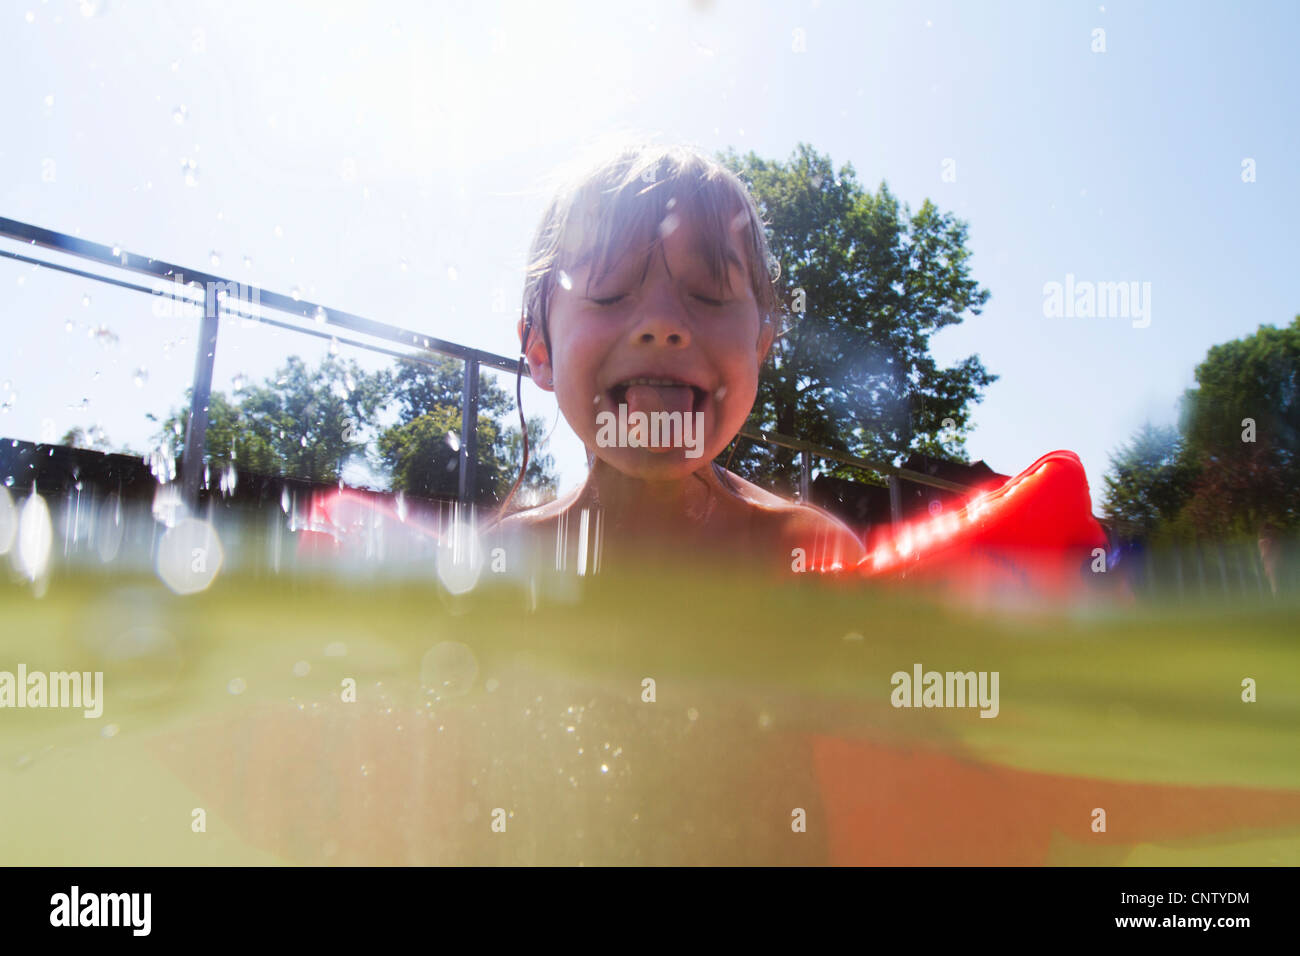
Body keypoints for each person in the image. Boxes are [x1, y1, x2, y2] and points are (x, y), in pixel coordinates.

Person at [484, 142, 864, 578]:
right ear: (540, 352)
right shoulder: (505, 565)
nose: (663, 324)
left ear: (759, 349)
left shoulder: (811, 555)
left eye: (709, 294)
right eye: (609, 293)